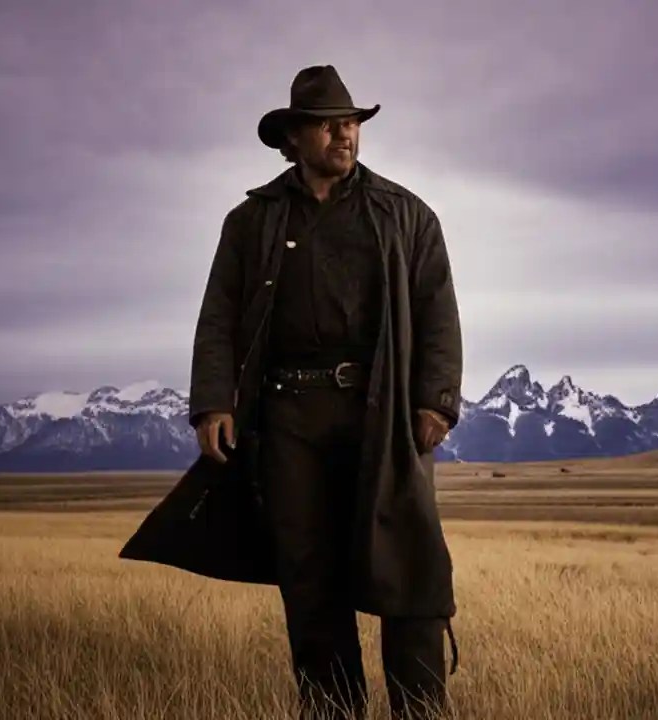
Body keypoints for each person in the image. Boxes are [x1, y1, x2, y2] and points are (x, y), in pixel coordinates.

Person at [190, 65, 463, 719]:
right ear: (295, 135)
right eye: (329, 123)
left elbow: (438, 311)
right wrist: (213, 403)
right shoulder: (250, 221)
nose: (345, 134)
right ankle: (333, 712)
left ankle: (421, 709)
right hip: (288, 418)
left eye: (352, 122)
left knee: (410, 565)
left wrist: (436, 401)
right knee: (310, 577)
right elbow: (219, 315)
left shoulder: (405, 214)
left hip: (383, 414)